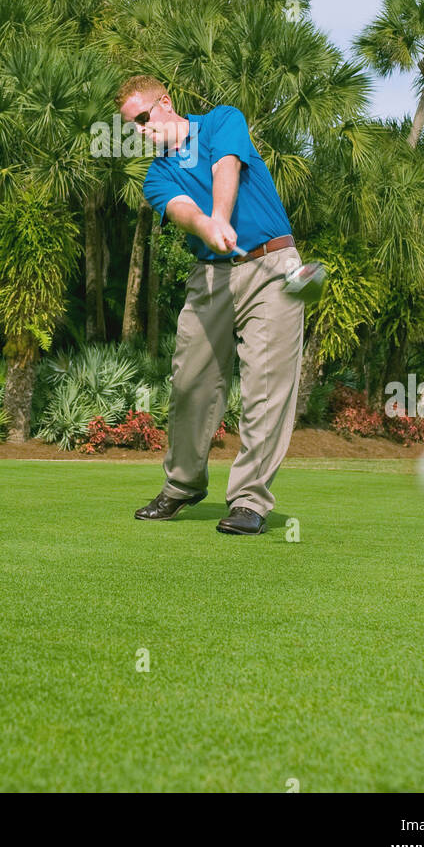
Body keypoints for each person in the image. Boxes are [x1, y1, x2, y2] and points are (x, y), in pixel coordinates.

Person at [116, 75, 305, 535]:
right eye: (131, 127)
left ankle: (249, 500)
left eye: (143, 118)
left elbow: (226, 166)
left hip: (272, 268)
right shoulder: (156, 176)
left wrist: (222, 215)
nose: (140, 131)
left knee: (265, 387)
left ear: (166, 103)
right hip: (210, 276)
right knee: (189, 382)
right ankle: (183, 485)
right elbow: (183, 209)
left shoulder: (222, 120)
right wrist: (208, 227)